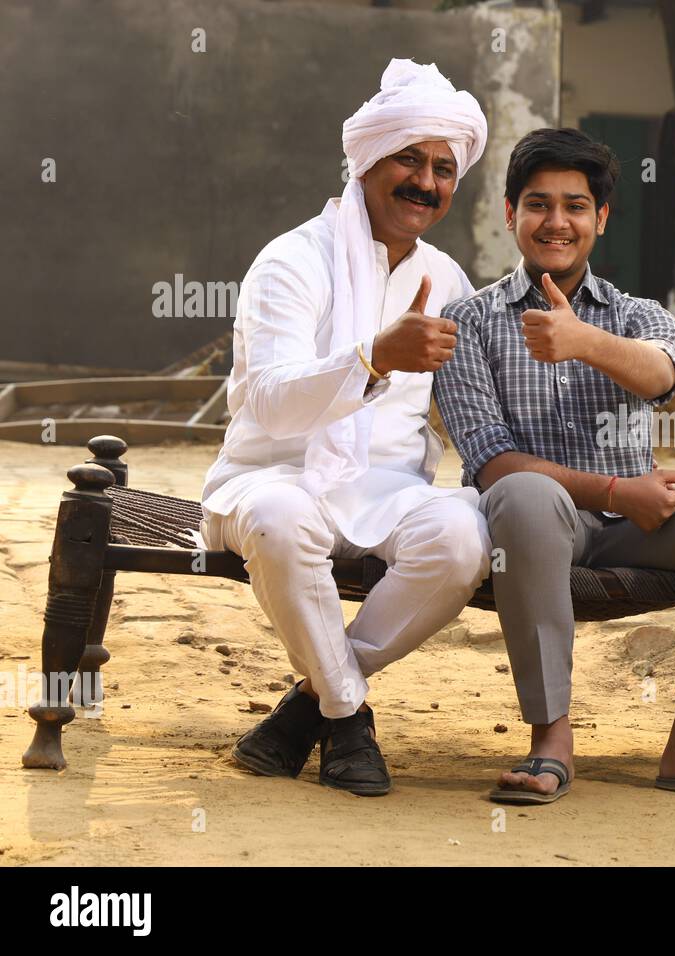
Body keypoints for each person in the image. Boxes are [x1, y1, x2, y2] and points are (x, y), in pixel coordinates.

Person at [434, 128, 675, 805]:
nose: (556, 222)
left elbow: (661, 377)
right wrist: (617, 491)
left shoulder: (639, 314)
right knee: (525, 495)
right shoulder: (468, 322)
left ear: (600, 219)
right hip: (537, 527)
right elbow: (490, 463)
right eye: (538, 205)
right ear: (511, 213)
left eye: (576, 205)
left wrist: (582, 341)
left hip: (642, 524)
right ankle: (552, 738)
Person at [199, 59, 491, 796]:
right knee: (282, 518)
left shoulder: (449, 280)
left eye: (444, 168)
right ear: (365, 160)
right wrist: (372, 359)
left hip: (389, 490)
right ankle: (349, 717)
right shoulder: (292, 262)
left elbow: (477, 409)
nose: (427, 181)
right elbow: (265, 401)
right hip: (272, 478)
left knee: (463, 536)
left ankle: (307, 709)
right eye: (409, 159)